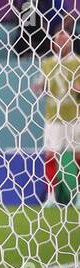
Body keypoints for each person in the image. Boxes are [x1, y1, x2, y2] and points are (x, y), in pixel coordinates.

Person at [32, 27, 80, 207]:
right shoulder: (47, 64)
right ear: (53, 43)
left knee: (78, 157)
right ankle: (51, 196)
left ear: (70, 41)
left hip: (75, 117)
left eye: (64, 39)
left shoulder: (78, 62)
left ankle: (79, 196)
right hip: (53, 118)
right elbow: (40, 86)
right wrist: (39, 88)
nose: (60, 42)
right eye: (57, 39)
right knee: (51, 155)